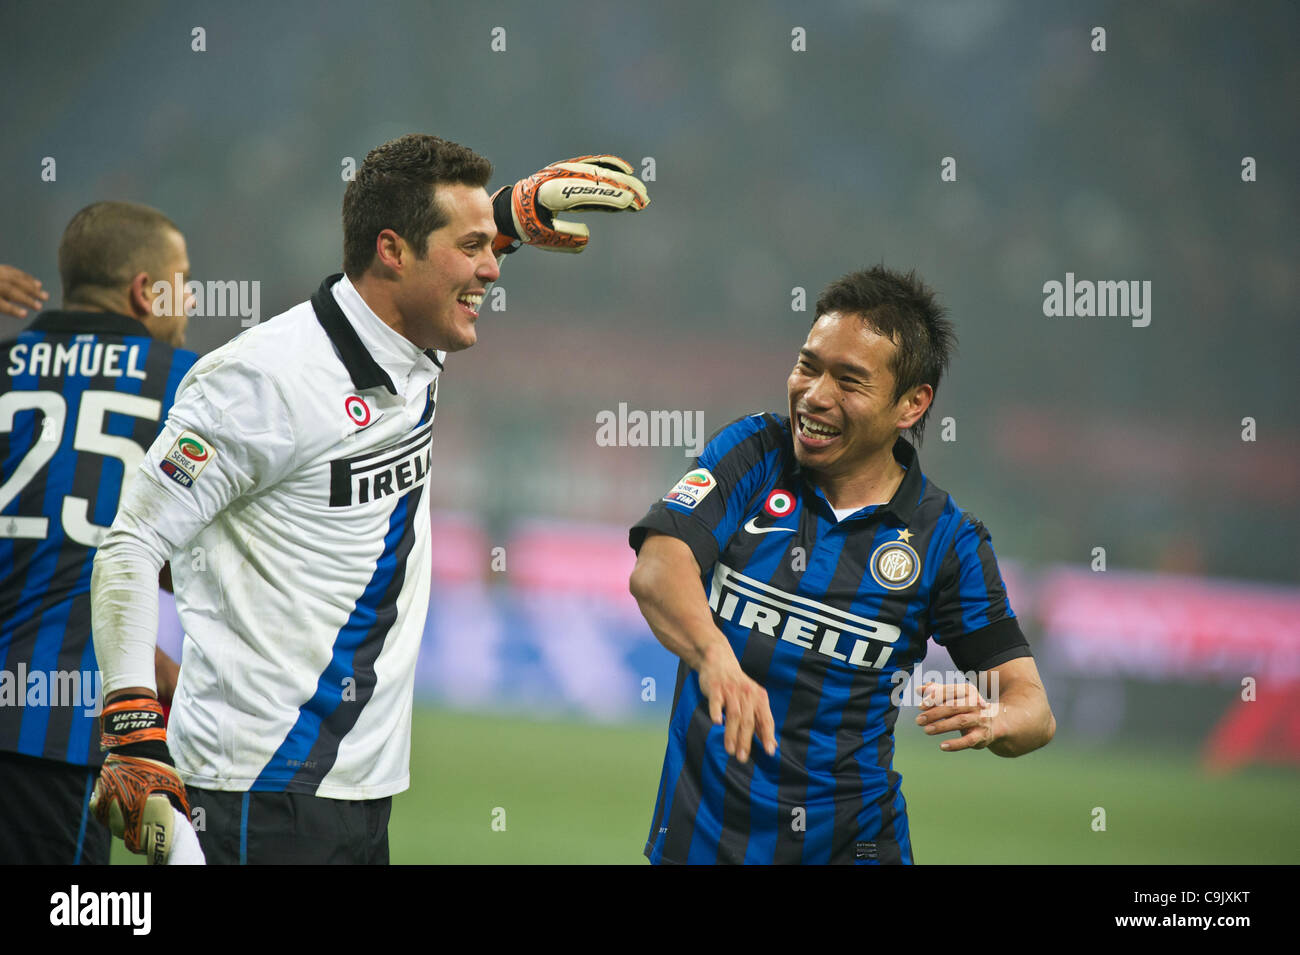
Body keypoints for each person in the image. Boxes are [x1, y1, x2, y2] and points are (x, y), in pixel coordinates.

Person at [88, 135, 649, 864]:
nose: (490, 270)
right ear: (393, 251)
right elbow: (132, 543)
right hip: (258, 787)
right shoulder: (258, 381)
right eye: (473, 247)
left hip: (362, 791)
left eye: (494, 249)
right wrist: (131, 729)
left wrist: (511, 213)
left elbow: (450, 269)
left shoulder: (416, 343)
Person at [627, 265, 1055, 864]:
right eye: (809, 365)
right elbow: (657, 570)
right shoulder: (754, 455)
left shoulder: (945, 542)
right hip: (698, 846)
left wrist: (999, 717)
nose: (815, 394)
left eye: (849, 380)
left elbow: (1034, 709)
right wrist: (715, 659)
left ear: (912, 404)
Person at [0, 202, 195, 864]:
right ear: (145, 290)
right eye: (183, 279)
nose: (191, 298)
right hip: (56, 738)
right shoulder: (189, 386)